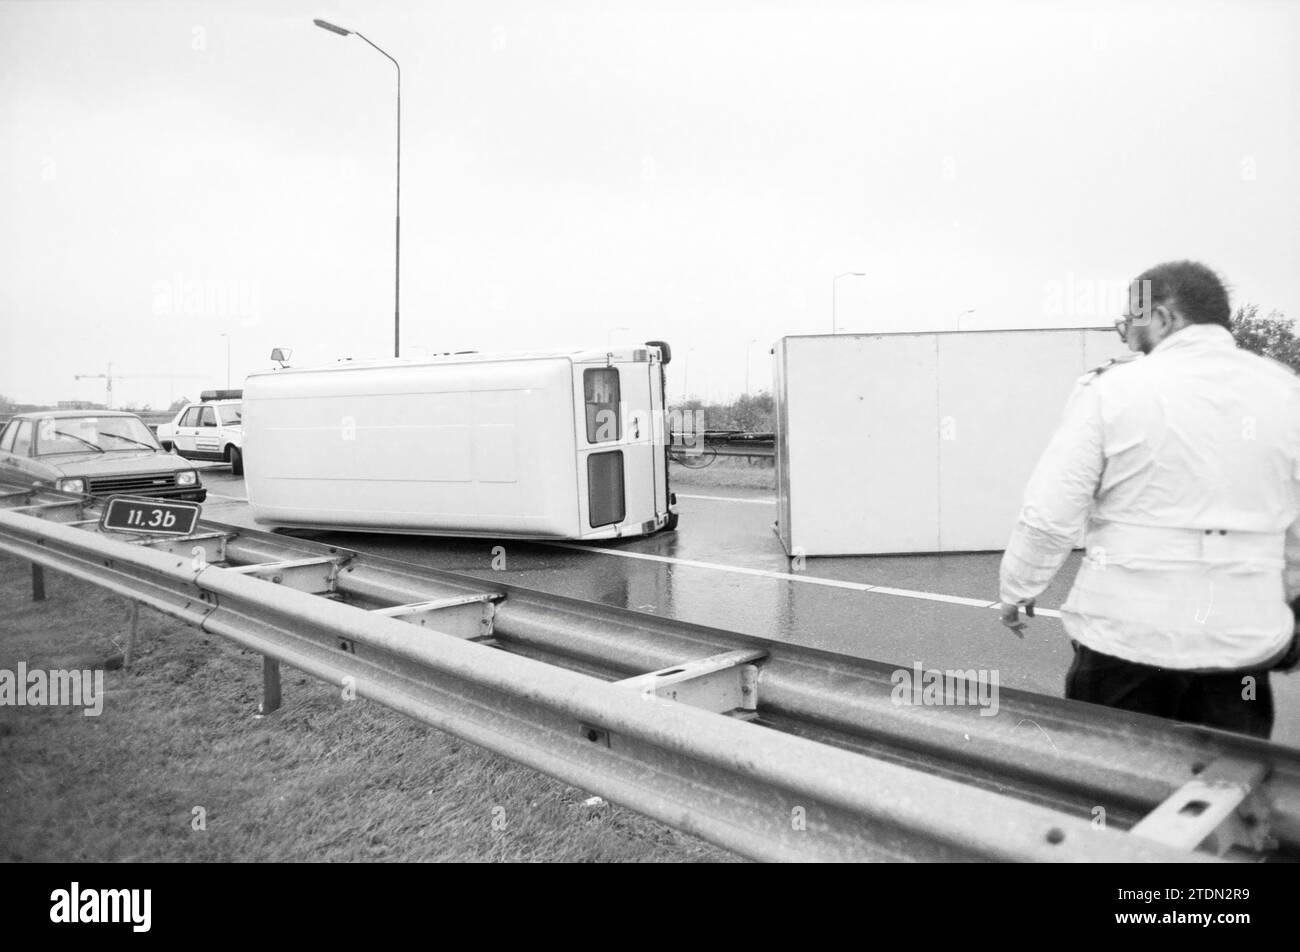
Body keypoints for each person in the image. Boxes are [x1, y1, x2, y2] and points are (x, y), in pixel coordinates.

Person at [998, 260, 1300, 738]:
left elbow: (1050, 513)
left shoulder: (1111, 389)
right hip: (1240, 646)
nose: (1124, 336)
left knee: (1114, 787)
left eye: (1129, 322)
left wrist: (1018, 589)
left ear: (1162, 317)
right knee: (1226, 793)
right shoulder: (1285, 392)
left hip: (1124, 642)